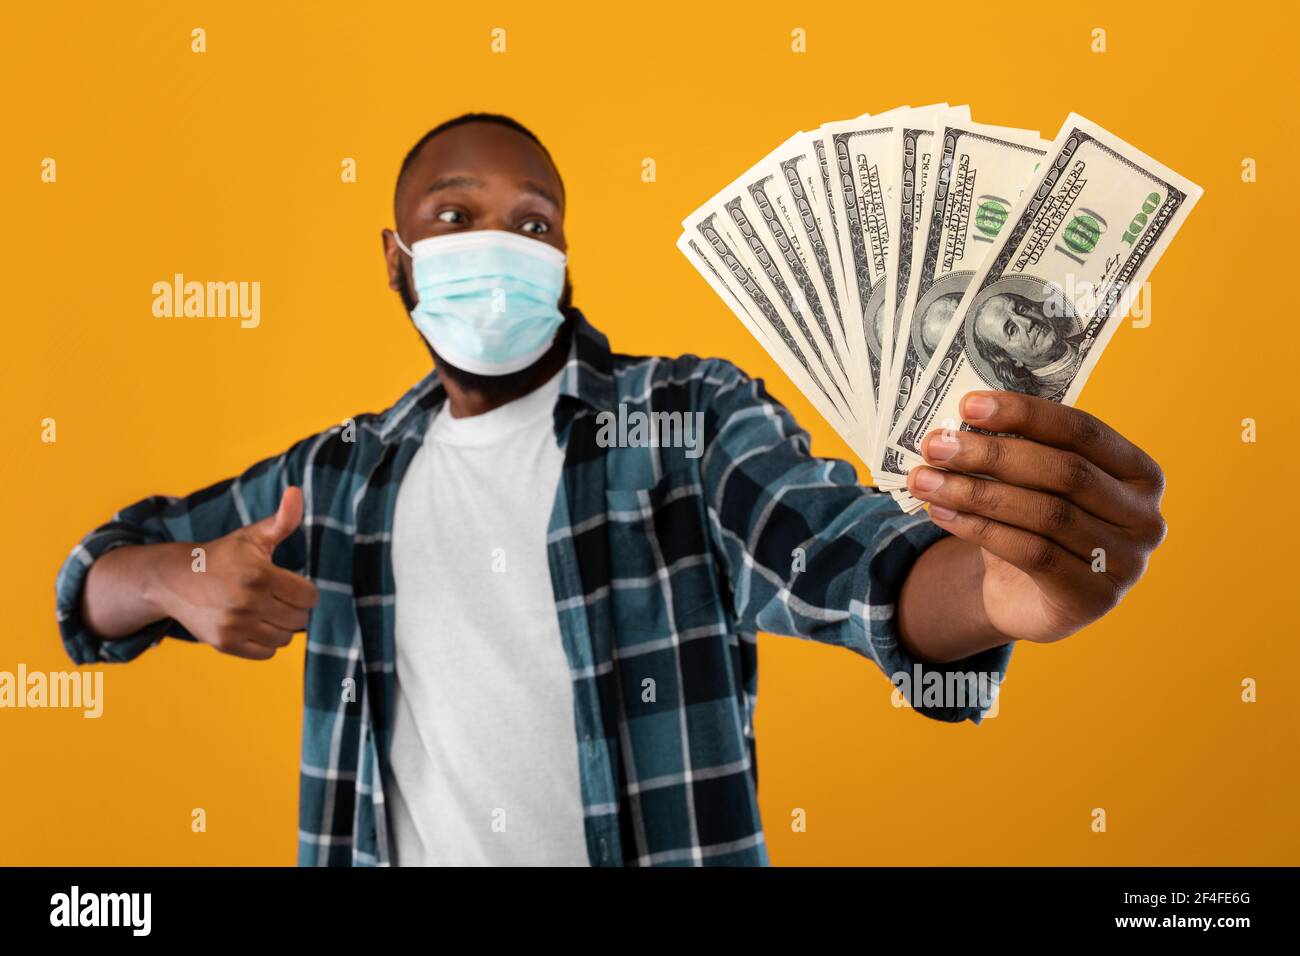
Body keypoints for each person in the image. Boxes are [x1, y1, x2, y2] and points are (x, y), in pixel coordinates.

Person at [54, 112, 1169, 867]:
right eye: (455, 216)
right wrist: (175, 575)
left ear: (564, 256)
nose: (500, 241)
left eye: (533, 222)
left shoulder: (682, 421)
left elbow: (847, 562)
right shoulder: (339, 474)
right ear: (395, 257)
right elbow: (94, 588)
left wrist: (1001, 590)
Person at [971, 291, 1086, 398]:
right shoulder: (1046, 401)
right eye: (1012, 329)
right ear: (1012, 359)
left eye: (1022, 309)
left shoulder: (1095, 332)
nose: (1028, 322)